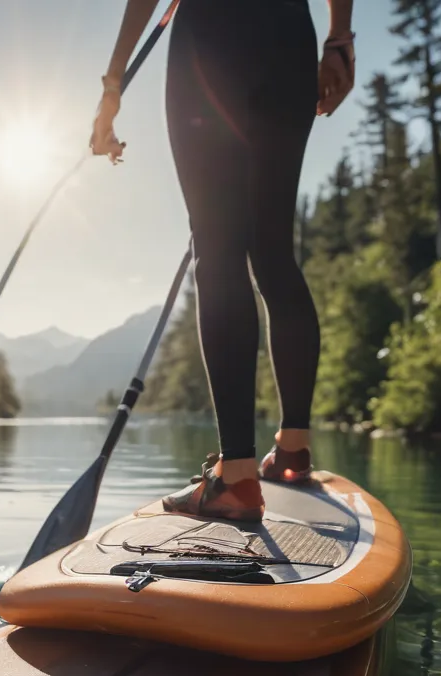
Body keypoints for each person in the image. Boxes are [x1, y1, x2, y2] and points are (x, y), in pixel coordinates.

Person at [92, 0, 355, 521]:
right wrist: (339, 41)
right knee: (274, 252)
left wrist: (112, 87)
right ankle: (293, 450)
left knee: (217, 248)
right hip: (287, 34)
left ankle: (236, 477)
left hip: (212, 37)